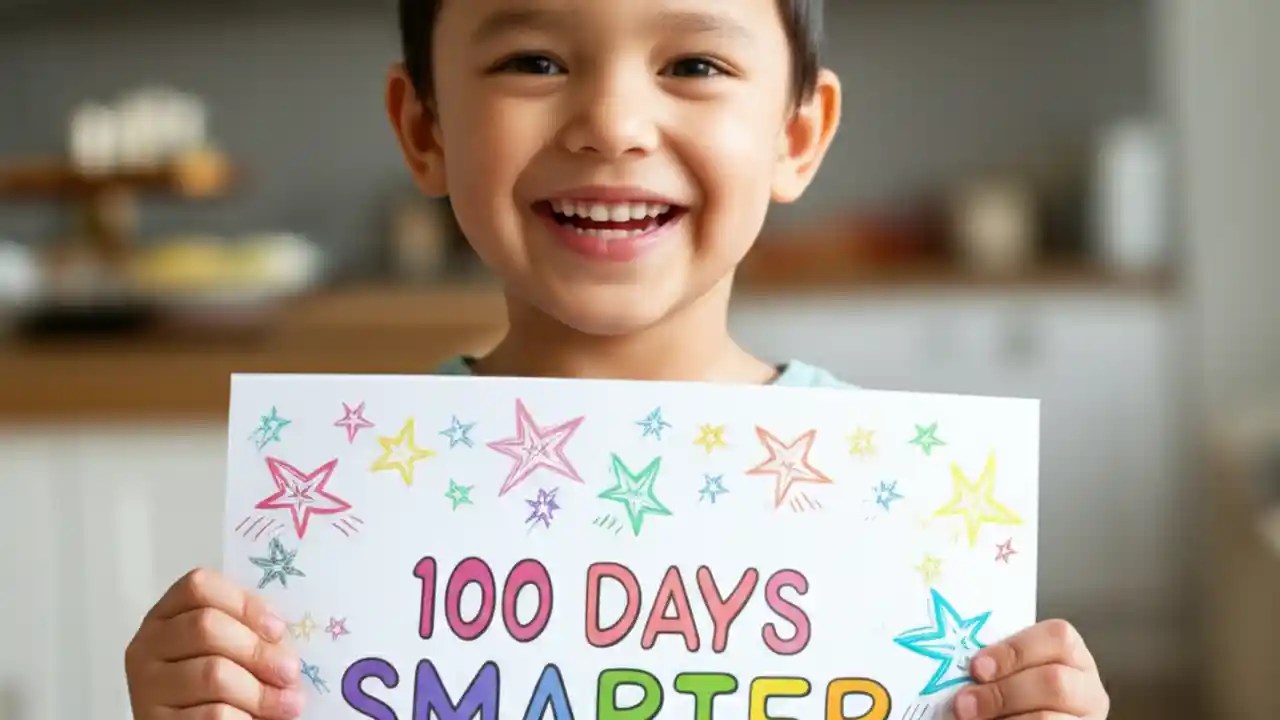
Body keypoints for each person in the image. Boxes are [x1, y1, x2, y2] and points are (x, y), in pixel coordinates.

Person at [125, 1, 1111, 718]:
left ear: (795, 133)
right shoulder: (346, 514)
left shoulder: (895, 511)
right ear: (423, 128)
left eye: (692, 65)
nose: (610, 124)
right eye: (534, 61)